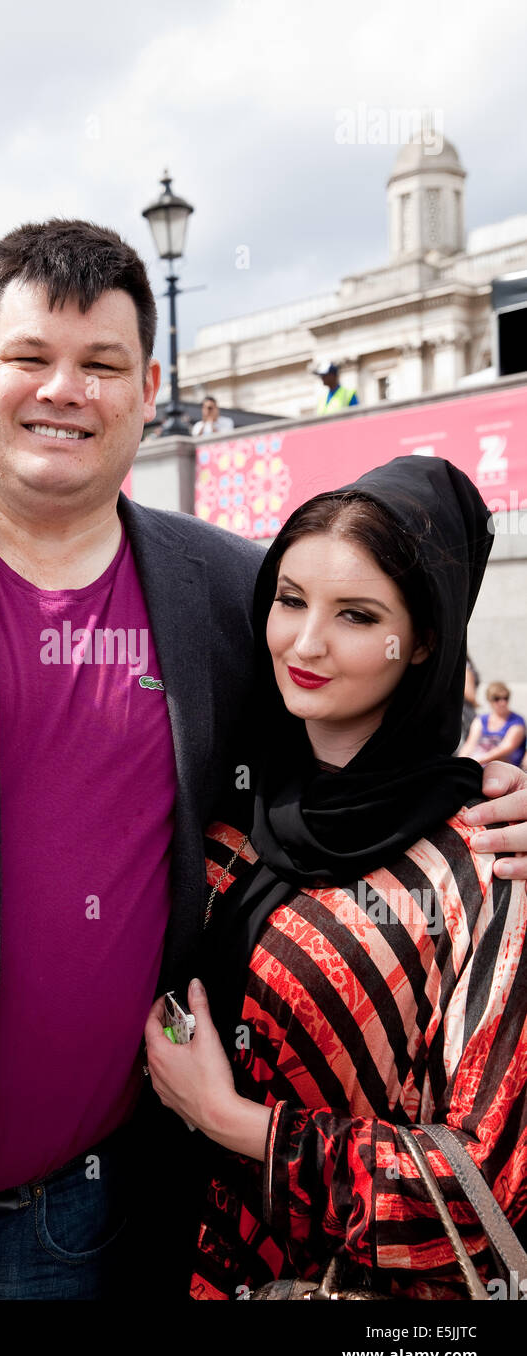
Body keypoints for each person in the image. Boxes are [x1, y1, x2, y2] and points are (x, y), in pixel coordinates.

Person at [0, 223, 525, 1305]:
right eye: (31, 357)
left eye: (101, 366)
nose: (62, 390)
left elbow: (352, 753)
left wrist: (491, 796)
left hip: (88, 1227)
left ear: (146, 386)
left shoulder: (226, 589)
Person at [144, 456, 527, 1300]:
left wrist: (234, 1123)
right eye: (289, 601)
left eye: (357, 616)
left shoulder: (488, 859)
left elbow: (481, 1187)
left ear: (423, 638)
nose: (306, 643)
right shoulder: (223, 811)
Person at [461, 682, 526, 768]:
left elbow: (506, 748)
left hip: (504, 767)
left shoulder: (517, 721)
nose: (502, 702)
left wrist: (476, 762)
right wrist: (461, 761)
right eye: (497, 699)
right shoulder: (481, 720)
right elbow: (469, 744)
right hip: (478, 764)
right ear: (489, 700)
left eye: (506, 698)